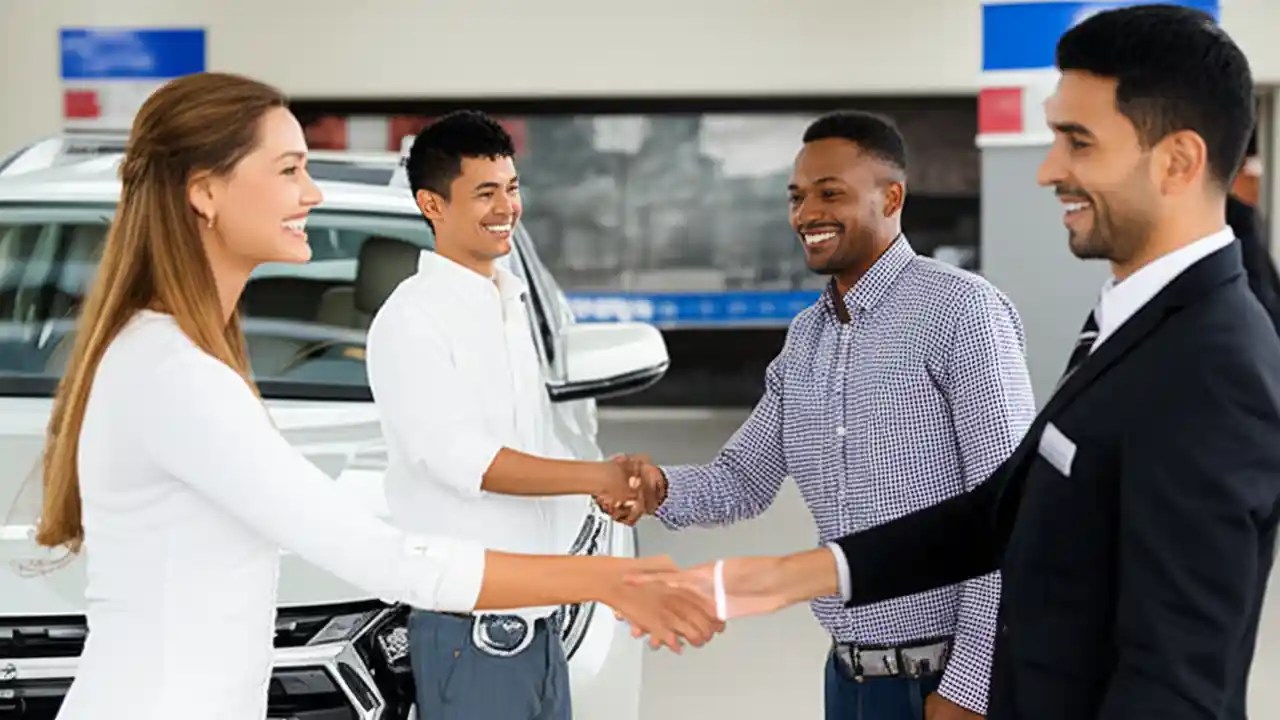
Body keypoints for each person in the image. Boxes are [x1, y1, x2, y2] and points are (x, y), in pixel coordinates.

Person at [638, 6, 1280, 720]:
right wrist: (789, 576)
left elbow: (1175, 681)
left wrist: (967, 683)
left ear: (1178, 161)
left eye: (1078, 142)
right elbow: (1003, 511)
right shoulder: (1129, 321)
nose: (1046, 169)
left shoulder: (1214, 366)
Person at [33, 72, 719, 720]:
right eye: (289, 170)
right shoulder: (175, 375)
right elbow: (380, 557)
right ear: (204, 192)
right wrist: (603, 581)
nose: (312, 194)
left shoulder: (178, 356)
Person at [613, 111, 1037, 720]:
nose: (807, 213)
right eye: (797, 197)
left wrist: (971, 686)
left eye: (830, 193)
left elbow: (1011, 509)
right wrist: (656, 488)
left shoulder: (962, 311)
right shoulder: (807, 337)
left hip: (947, 681)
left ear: (891, 197)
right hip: (847, 677)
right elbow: (742, 480)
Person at [364, 110, 648, 719]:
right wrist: (595, 477)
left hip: (543, 621)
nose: (506, 208)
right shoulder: (412, 322)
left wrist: (600, 493)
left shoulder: (509, 299)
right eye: (484, 193)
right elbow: (469, 462)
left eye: (512, 187)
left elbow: (534, 447)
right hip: (471, 632)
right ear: (432, 205)